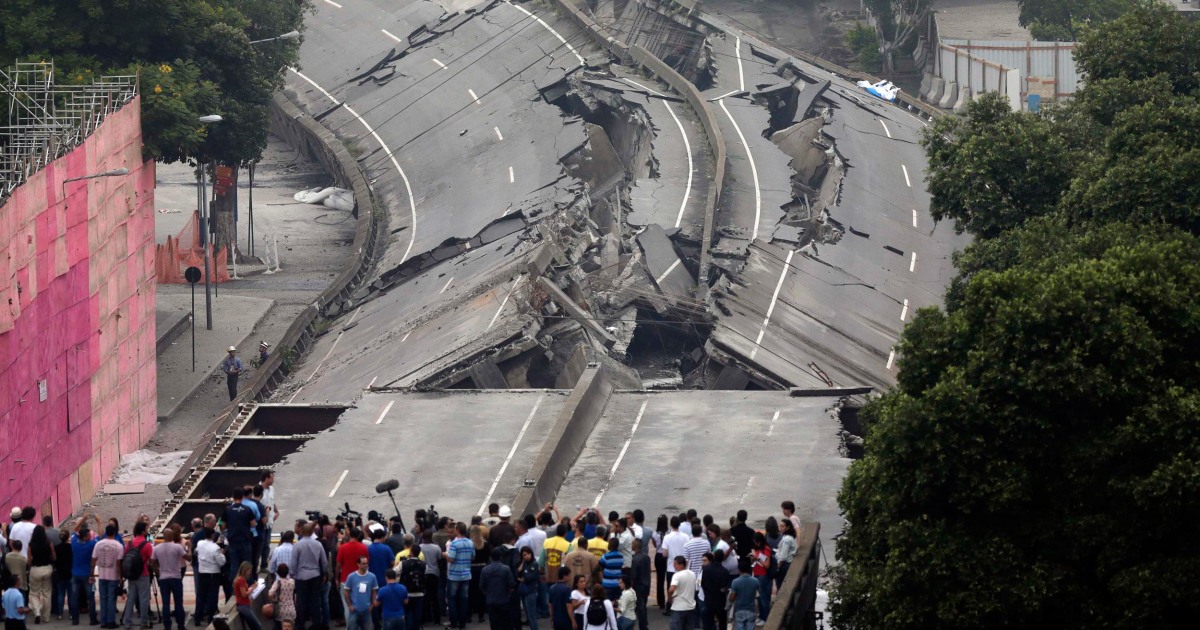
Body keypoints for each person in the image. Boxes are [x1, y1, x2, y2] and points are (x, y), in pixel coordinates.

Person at [150, 528, 188, 630]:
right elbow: (188, 557)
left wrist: (158, 572)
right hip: (175, 577)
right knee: (179, 602)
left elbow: (153, 562)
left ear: (163, 536)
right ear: (171, 536)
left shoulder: (157, 548)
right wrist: (191, 548)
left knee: (165, 603)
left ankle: (167, 626)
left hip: (163, 577)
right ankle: (181, 625)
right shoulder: (177, 547)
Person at [292, 523, 328, 630]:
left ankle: (300, 624)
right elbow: (324, 561)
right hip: (315, 575)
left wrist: (292, 574)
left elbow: (293, 562)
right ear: (312, 532)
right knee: (315, 601)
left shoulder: (297, 545)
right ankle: (316, 624)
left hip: (301, 576)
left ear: (302, 532)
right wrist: (325, 573)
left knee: (301, 601)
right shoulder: (318, 544)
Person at [121, 521, 153, 629]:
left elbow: (125, 556)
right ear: (143, 530)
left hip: (131, 574)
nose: (147, 531)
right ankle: (144, 621)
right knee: (144, 598)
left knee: (131, 598)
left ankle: (127, 622)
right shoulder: (147, 545)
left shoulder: (130, 543)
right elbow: (151, 560)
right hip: (143, 574)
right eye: (146, 529)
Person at [91, 525, 123, 629]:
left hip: (102, 575)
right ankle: (111, 621)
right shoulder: (118, 546)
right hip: (113, 576)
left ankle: (103, 621)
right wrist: (120, 577)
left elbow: (93, 560)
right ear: (114, 533)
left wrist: (91, 574)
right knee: (111, 599)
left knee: (103, 599)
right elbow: (118, 563)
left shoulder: (98, 544)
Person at [68, 519, 99, 627]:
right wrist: (98, 521)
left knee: (74, 597)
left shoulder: (74, 542)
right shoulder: (90, 545)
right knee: (90, 597)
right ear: (85, 536)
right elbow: (100, 535)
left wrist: (83, 520)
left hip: (75, 574)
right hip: (87, 574)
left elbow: (74, 531)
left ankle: (75, 619)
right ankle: (93, 619)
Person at [445, 523, 474, 630]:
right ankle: (462, 624)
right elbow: (472, 557)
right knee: (463, 600)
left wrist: (445, 555)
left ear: (457, 530)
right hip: (466, 574)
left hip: (454, 575)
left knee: (451, 599)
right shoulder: (470, 542)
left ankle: (453, 623)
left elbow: (451, 559)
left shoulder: (455, 543)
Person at [195, 528, 225, 628]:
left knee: (201, 596)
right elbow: (221, 562)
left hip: (202, 573)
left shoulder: (200, 543)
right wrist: (223, 554)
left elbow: (196, 552)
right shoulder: (215, 547)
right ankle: (210, 619)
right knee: (212, 597)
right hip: (213, 575)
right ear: (212, 536)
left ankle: (197, 618)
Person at [479, 548, 515, 630]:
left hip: (491, 600)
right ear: (501, 557)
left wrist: (487, 594)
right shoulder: (506, 569)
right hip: (504, 599)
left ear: (490, 557)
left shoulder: (485, 570)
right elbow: (512, 584)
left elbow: (481, 586)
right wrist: (508, 594)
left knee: (494, 622)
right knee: (505, 622)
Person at [25, 526, 54, 624]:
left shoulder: (31, 544)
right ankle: (46, 617)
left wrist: (30, 568)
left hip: (35, 569)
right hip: (47, 569)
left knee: (34, 593)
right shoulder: (48, 542)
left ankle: (37, 613)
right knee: (47, 593)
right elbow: (54, 556)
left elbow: (29, 560)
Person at [395, 540, 425, 630]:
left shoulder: (404, 563)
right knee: (417, 613)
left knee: (407, 613)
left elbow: (394, 571)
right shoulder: (423, 564)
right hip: (419, 592)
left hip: (406, 592)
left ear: (411, 552)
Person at [343, 557, 378, 630]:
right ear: (358, 564)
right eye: (363, 564)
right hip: (354, 611)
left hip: (366, 611)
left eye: (367, 563)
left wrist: (372, 605)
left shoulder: (372, 576)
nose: (366, 565)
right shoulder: (351, 576)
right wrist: (349, 605)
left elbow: (374, 591)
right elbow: (346, 591)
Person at [700, 553, 729, 630]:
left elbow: (701, 583)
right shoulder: (725, 571)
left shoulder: (705, 569)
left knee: (707, 624)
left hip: (708, 599)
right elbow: (724, 588)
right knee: (722, 623)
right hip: (720, 601)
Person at [666, 557, 696, 630]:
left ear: (682, 565)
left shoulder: (677, 575)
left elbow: (671, 590)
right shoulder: (692, 574)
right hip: (690, 606)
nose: (674, 566)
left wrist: (669, 598)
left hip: (678, 607)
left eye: (675, 564)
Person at [749, 534, 772, 626]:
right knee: (759, 597)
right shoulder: (758, 549)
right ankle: (762, 615)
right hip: (756, 574)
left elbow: (767, 565)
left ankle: (765, 617)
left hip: (763, 575)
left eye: (756, 541)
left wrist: (757, 558)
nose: (755, 543)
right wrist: (753, 559)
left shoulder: (765, 549)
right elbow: (756, 562)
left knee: (764, 597)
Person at [515, 547, 541, 630]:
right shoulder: (525, 563)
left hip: (531, 591)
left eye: (528, 554)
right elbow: (518, 573)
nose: (527, 556)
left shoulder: (534, 564)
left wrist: (523, 579)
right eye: (524, 555)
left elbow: (531, 577)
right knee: (527, 613)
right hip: (523, 591)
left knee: (531, 615)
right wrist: (522, 562)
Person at [727, 561, 758, 630]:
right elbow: (758, 595)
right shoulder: (755, 581)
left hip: (739, 609)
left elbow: (732, 598)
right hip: (751, 609)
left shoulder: (735, 582)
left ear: (739, 569)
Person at [50, 528, 72, 621]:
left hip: (60, 573)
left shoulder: (57, 547)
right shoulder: (71, 547)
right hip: (70, 573)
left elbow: (54, 559)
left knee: (60, 594)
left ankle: (60, 614)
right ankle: (71, 614)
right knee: (71, 595)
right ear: (68, 537)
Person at [234, 562, 263, 630]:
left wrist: (252, 586)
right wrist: (253, 588)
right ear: (245, 570)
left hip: (244, 605)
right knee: (257, 626)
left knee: (253, 626)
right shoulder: (241, 580)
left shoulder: (241, 579)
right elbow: (244, 594)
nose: (250, 573)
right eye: (249, 571)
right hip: (243, 606)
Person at [268, 564, 297, 630]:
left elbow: (270, 594)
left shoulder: (278, 582)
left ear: (278, 573)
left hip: (281, 611)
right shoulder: (292, 582)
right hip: (291, 610)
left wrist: (272, 602)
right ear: (287, 572)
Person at [628, 541, 650, 630]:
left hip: (639, 585)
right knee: (643, 605)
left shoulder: (635, 559)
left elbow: (634, 575)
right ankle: (644, 623)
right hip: (646, 584)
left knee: (640, 607)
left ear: (635, 546)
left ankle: (643, 626)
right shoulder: (646, 557)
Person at [774, 521, 797, 590]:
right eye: (780, 526)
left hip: (784, 564)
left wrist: (778, 566)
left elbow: (783, 556)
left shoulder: (787, 539)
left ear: (788, 527)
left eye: (782, 526)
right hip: (785, 563)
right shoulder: (786, 537)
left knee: (780, 585)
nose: (780, 528)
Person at [652, 516, 668, 613]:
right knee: (670, 578)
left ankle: (661, 602)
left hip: (658, 556)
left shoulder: (654, 533)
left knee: (660, 580)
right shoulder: (669, 532)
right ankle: (670, 601)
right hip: (667, 556)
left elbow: (654, 545)